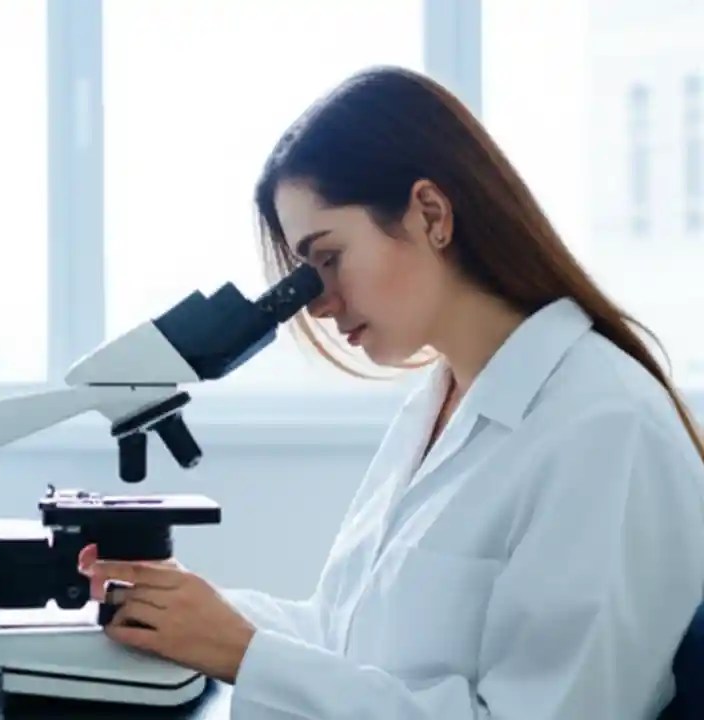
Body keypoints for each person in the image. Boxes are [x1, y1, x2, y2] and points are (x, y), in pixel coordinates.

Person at [77, 65, 704, 719]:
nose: (317, 305)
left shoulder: (605, 427)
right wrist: (185, 613)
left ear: (430, 214)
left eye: (328, 259)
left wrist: (244, 654)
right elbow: (346, 642)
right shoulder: (438, 409)